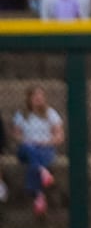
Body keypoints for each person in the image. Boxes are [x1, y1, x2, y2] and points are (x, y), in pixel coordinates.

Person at [11, 85, 64, 218]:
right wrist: (27, 140)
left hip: (45, 148)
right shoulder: (21, 114)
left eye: (41, 96)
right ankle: (42, 171)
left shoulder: (50, 114)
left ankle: (39, 196)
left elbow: (59, 137)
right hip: (27, 148)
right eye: (35, 96)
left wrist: (45, 142)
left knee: (35, 160)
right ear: (29, 99)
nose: (39, 99)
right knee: (30, 149)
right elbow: (16, 135)